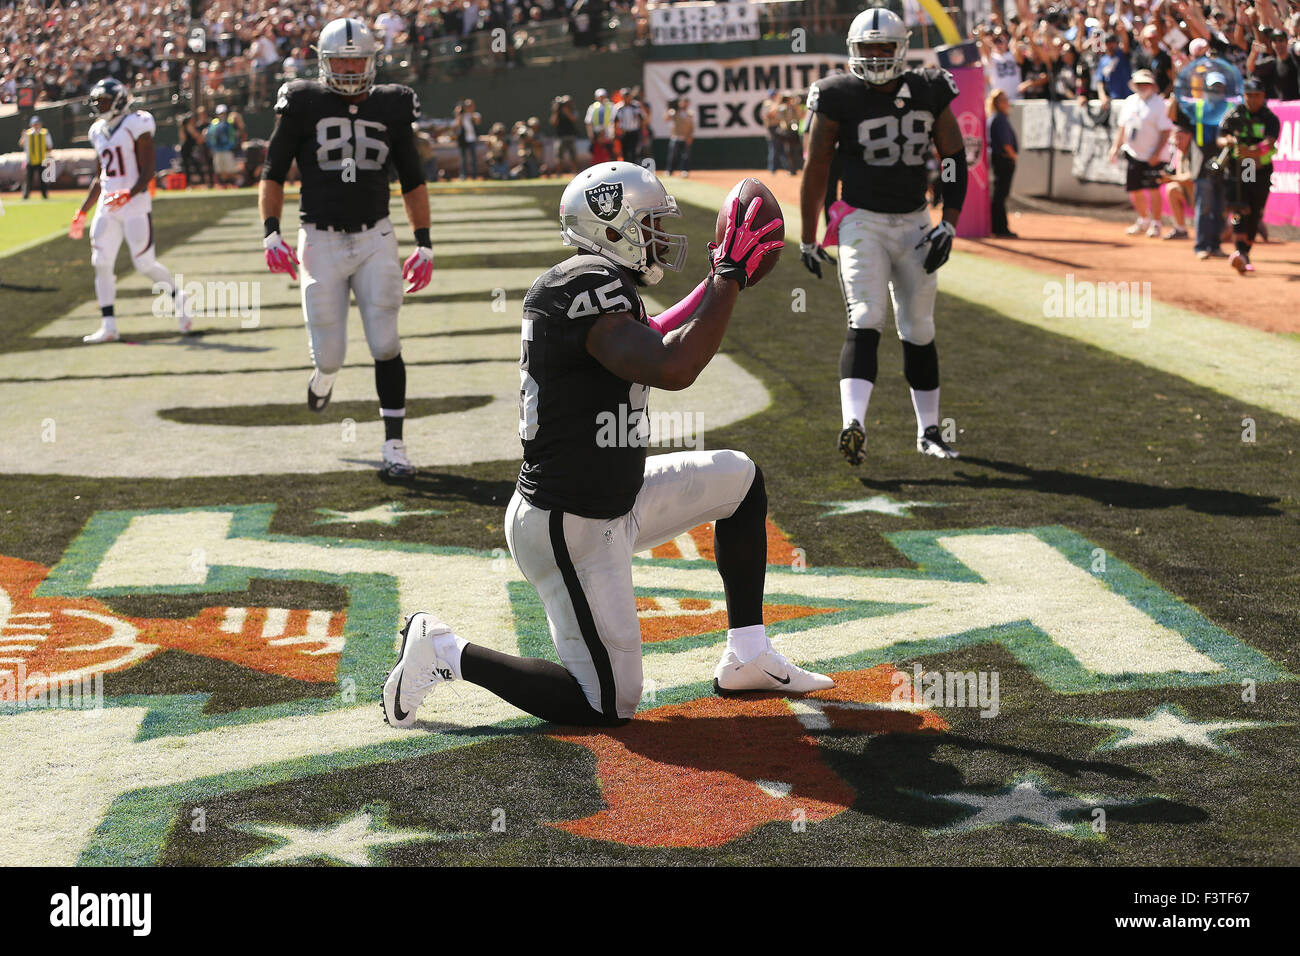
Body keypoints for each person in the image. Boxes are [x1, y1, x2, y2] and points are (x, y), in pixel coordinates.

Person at [382, 161, 825, 730]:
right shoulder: (584, 284)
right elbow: (674, 365)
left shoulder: (599, 285)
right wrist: (728, 276)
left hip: (617, 495)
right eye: (649, 224)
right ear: (611, 227)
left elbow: (657, 332)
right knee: (608, 703)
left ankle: (748, 654)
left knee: (739, 479)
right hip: (571, 523)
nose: (661, 238)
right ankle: (444, 650)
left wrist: (719, 279)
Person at [259, 17, 434, 479]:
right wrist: (270, 231)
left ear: (374, 60)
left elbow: (413, 178)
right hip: (319, 236)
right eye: (342, 59)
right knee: (331, 352)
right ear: (324, 62)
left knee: (386, 341)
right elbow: (272, 172)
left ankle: (394, 444)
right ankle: (324, 376)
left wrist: (424, 243)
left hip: (376, 235)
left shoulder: (393, 105)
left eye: (359, 58)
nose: (352, 68)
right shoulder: (302, 102)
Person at [800, 7, 966, 467]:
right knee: (867, 315)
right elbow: (816, 167)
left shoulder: (931, 88)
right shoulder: (837, 95)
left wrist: (948, 221)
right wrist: (809, 237)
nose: (874, 57)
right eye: (866, 49)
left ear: (901, 49)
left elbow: (953, 156)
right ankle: (854, 424)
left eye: (883, 48)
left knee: (918, 328)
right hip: (862, 221)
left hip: (915, 221)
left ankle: (929, 431)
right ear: (852, 50)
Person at [69, 78, 194, 344]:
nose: (100, 106)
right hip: (108, 205)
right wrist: (82, 211)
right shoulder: (97, 131)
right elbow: (100, 177)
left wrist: (128, 193)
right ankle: (109, 325)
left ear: (119, 101)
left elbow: (148, 170)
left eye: (104, 101)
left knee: (144, 264)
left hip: (135, 204)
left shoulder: (136, 124)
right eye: (98, 101)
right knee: (101, 262)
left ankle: (177, 296)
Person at [1218, 77, 1280, 275]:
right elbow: (1220, 137)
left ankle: (1244, 252)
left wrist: (1250, 152)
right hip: (1240, 168)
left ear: (1263, 97)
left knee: (1254, 210)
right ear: (1243, 95)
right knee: (1239, 206)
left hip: (1258, 169)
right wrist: (1228, 141)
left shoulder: (1269, 118)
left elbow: (1269, 143)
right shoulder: (1234, 114)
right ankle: (1240, 252)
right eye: (1249, 95)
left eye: (1256, 95)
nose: (1252, 99)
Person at [1109, 69, 1173, 238]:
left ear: (1152, 86)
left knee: (1153, 189)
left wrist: (1156, 154)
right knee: (1134, 189)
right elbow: (1122, 127)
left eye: (1146, 83)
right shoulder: (1129, 102)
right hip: (1133, 153)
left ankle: (1157, 223)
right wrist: (1115, 147)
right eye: (1139, 84)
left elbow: (1166, 131)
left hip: (1154, 156)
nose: (1142, 87)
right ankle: (1143, 219)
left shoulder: (1160, 104)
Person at [1175, 71, 1229, 259]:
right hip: (1202, 166)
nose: (1216, 91)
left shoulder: (1230, 109)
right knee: (1204, 207)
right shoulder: (1196, 108)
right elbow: (1174, 116)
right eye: (1213, 87)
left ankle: (1215, 246)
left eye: (1219, 87)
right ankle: (1201, 246)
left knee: (1220, 208)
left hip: (1224, 168)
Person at [987, 88, 1017, 238]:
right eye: (1003, 100)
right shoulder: (999, 119)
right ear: (997, 103)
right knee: (1000, 194)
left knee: (999, 193)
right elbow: (1006, 143)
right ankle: (1000, 227)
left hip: (999, 159)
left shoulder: (996, 117)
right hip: (1003, 159)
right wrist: (1013, 156)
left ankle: (997, 226)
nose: (1007, 103)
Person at [206, 103, 239, 187]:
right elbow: (210, 137)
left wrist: (231, 146)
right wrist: (211, 147)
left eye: (223, 113)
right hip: (217, 150)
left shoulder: (230, 123)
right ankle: (224, 184)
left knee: (230, 169)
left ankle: (232, 183)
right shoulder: (213, 124)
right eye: (220, 113)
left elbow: (234, 136)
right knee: (220, 170)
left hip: (227, 149)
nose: (222, 115)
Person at [19, 115, 51, 199]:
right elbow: (21, 144)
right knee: (28, 179)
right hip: (30, 160)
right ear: (31, 125)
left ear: (41, 124)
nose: (36, 126)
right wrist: (22, 136)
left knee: (43, 179)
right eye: (34, 124)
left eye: (37, 124)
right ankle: (26, 195)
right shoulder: (27, 134)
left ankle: (45, 195)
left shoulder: (45, 133)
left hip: (41, 160)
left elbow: (49, 146)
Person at [664, 95, 694, 177]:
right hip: (675, 137)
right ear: (680, 103)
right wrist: (668, 108)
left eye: (686, 103)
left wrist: (690, 137)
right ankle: (669, 171)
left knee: (685, 156)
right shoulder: (674, 112)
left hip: (685, 138)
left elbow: (691, 127)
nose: (685, 104)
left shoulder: (689, 114)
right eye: (683, 102)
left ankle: (684, 170)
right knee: (673, 156)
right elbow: (666, 119)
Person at [585, 87, 615, 163]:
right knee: (597, 155)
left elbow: (613, 121)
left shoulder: (611, 106)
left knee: (609, 155)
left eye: (603, 96)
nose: (601, 98)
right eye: (600, 96)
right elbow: (588, 122)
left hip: (608, 135)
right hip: (597, 135)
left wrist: (612, 134)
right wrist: (591, 135)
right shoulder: (592, 107)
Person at [550, 94, 579, 174]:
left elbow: (574, 119)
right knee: (559, 156)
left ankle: (575, 172)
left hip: (570, 136)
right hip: (560, 137)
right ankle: (558, 173)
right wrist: (555, 111)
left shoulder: (572, 110)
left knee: (573, 156)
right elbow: (553, 122)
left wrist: (566, 111)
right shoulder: (558, 112)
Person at [614, 86, 643, 162]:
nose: (626, 98)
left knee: (633, 151)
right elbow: (615, 121)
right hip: (624, 132)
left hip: (634, 131)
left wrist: (641, 130)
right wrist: (615, 133)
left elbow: (642, 119)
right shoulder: (618, 107)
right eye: (625, 96)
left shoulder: (636, 106)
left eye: (628, 96)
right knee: (624, 151)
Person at [454, 98, 481, 179]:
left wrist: (471, 113)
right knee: (463, 159)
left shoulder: (475, 115)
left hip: (472, 139)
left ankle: (474, 175)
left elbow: (477, 122)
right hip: (463, 140)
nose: (468, 107)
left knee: (473, 158)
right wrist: (458, 114)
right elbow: (458, 125)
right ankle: (463, 175)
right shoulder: (462, 116)